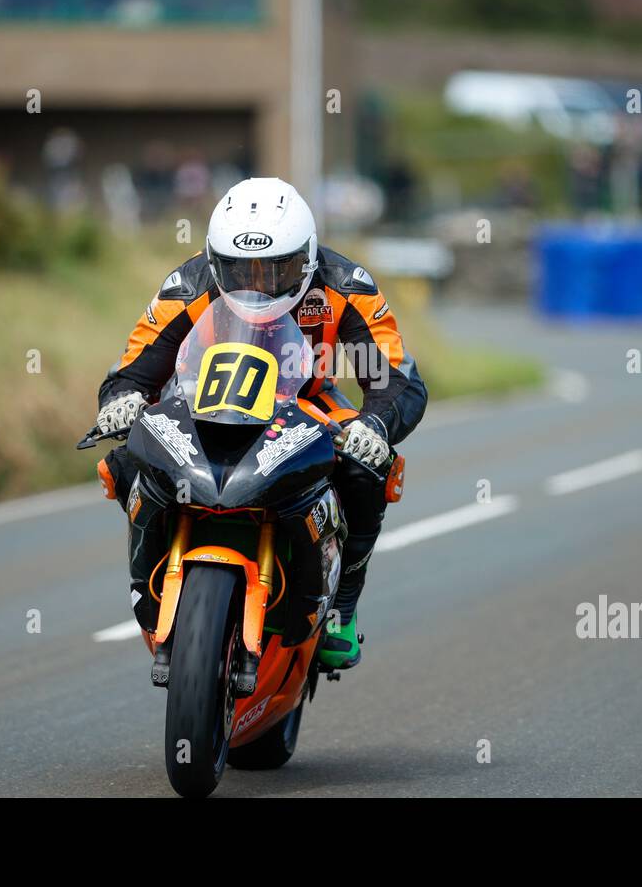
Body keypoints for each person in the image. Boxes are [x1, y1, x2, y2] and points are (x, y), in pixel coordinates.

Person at [94, 177, 427, 669]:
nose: (257, 284)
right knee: (126, 459)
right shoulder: (189, 286)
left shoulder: (345, 285)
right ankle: (150, 577)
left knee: (366, 472)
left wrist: (374, 426)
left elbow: (398, 379)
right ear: (214, 262)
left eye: (276, 270)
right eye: (239, 270)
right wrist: (122, 400)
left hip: (308, 407)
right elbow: (134, 367)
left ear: (308, 259)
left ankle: (341, 607)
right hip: (202, 407)